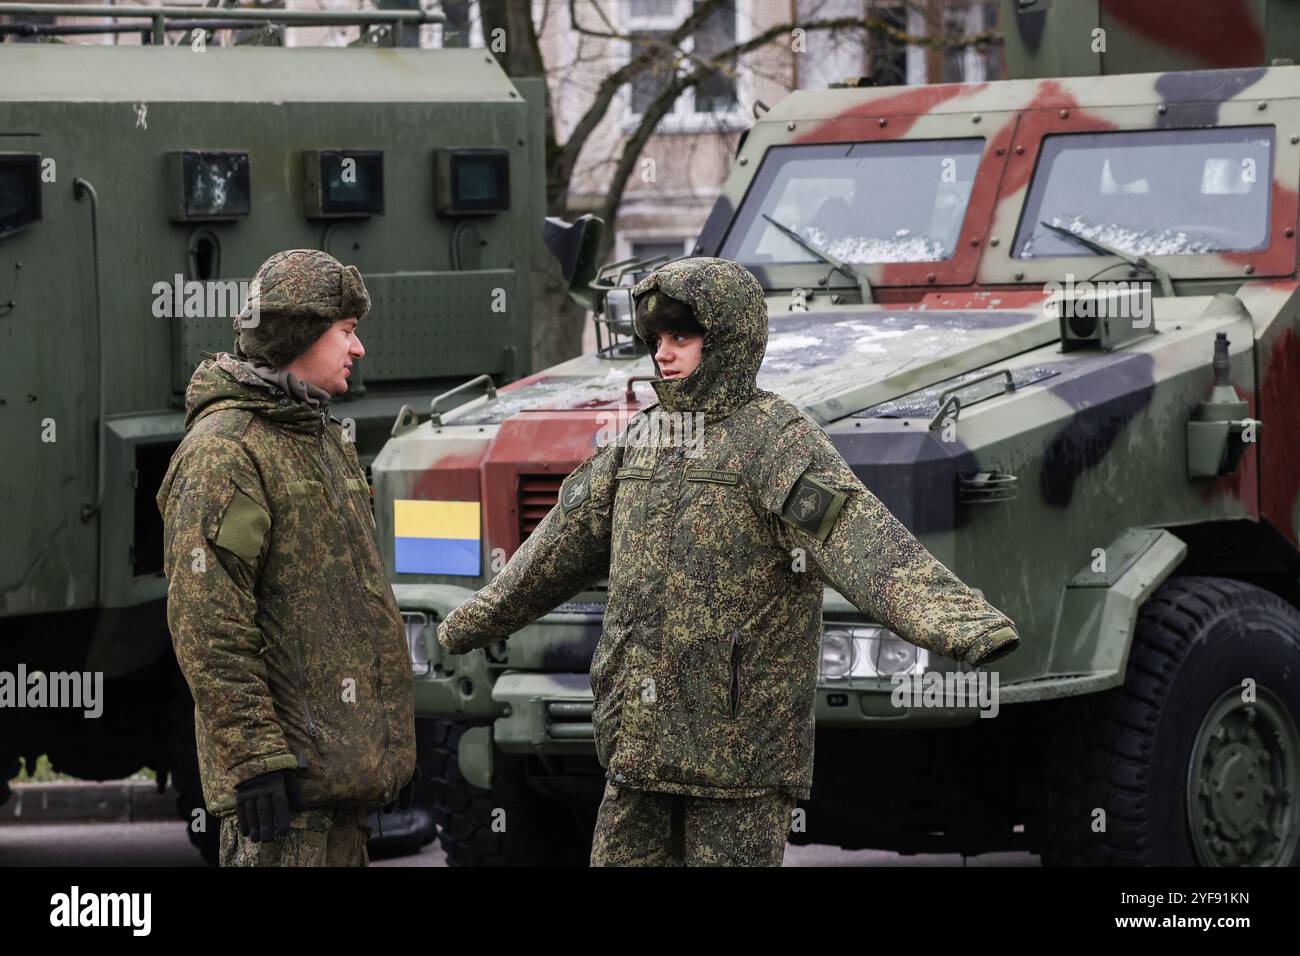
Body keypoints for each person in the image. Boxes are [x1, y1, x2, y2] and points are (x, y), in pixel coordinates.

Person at [438, 256, 1019, 866]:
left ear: (728, 339)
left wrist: (961, 624)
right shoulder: (641, 441)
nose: (662, 354)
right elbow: (559, 547)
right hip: (639, 746)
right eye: (656, 339)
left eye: (681, 337)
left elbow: (857, 538)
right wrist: (475, 620)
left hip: (737, 758)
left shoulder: (776, 441)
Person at [158, 249, 415, 867]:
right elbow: (208, 622)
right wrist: (253, 760)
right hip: (285, 798)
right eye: (347, 333)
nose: (358, 350)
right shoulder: (225, 452)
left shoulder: (319, 439)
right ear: (302, 332)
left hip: (336, 789)